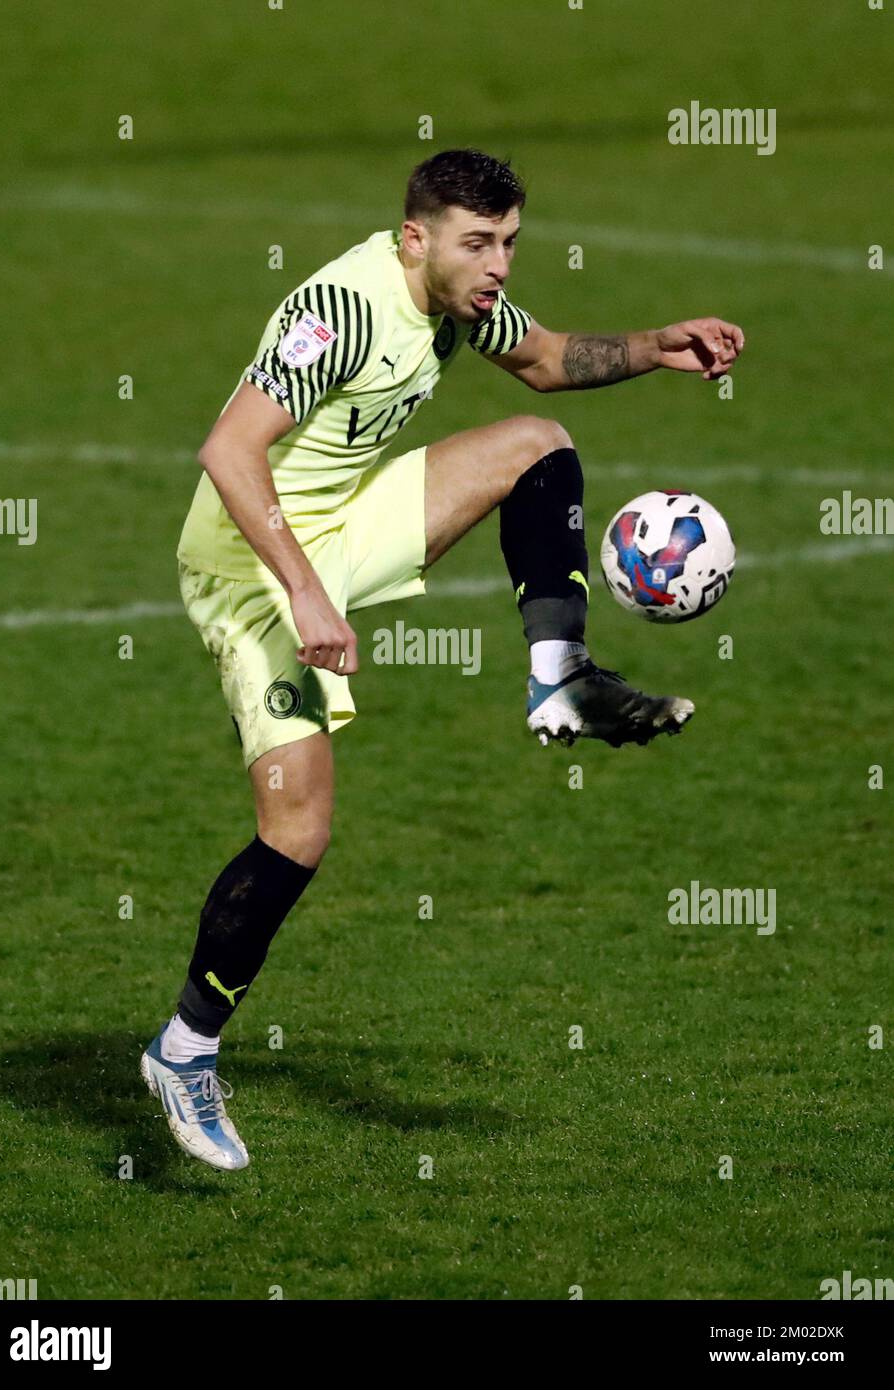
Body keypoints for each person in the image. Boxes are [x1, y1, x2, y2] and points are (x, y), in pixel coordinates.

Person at [141, 148, 744, 1169]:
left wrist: (656, 345)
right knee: (297, 830)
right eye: (479, 242)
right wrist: (302, 589)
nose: (499, 262)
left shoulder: (459, 296)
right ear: (413, 238)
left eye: (509, 240)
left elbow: (549, 357)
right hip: (248, 560)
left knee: (536, 440)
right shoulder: (338, 310)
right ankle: (183, 1051)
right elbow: (229, 451)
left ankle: (560, 672)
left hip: (337, 525)